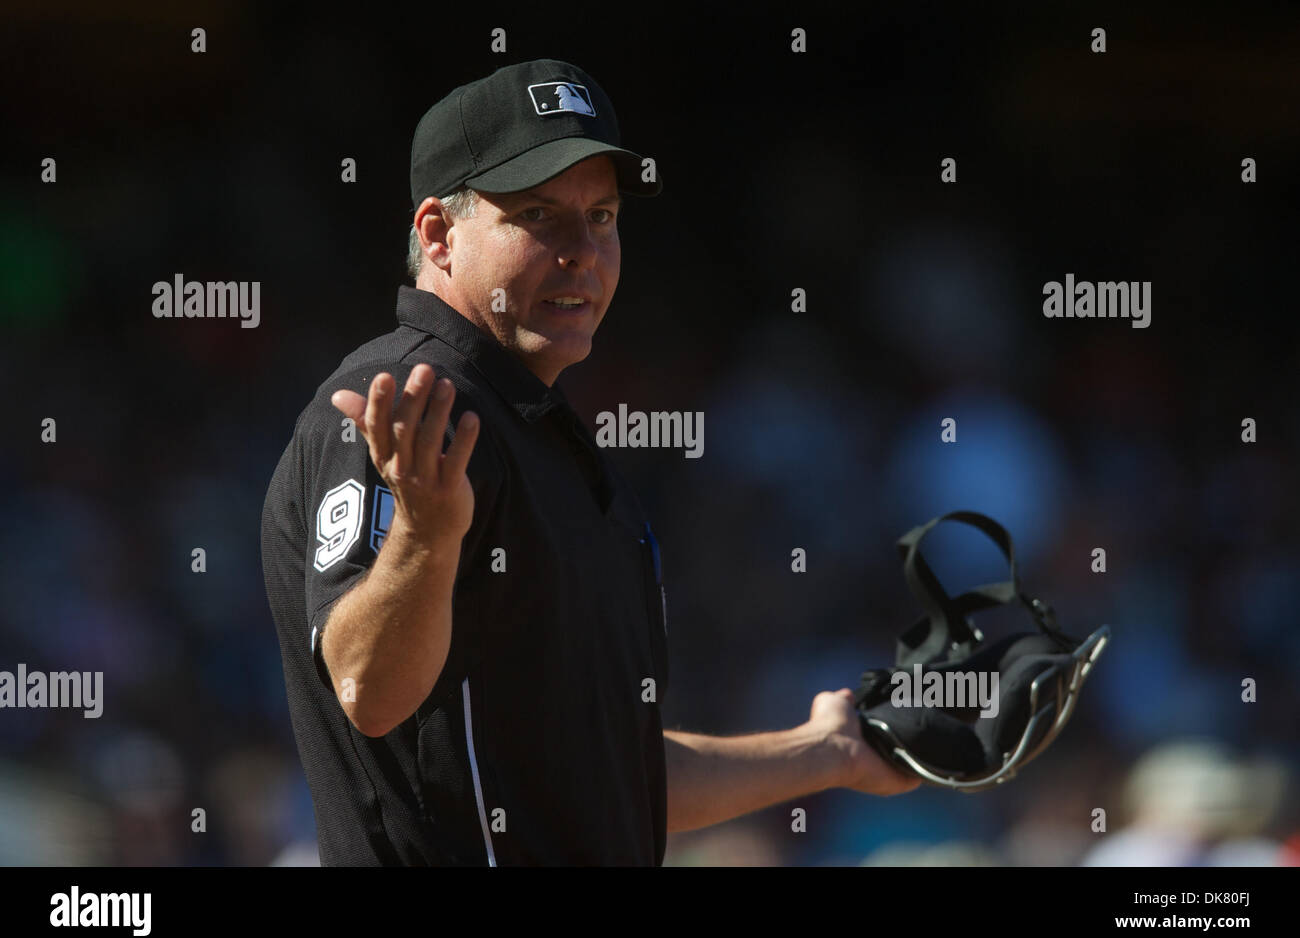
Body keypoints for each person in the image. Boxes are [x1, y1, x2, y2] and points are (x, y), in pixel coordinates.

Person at [261, 58, 917, 867]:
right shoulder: (404, 400)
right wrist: (426, 538)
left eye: (601, 215)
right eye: (539, 214)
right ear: (437, 234)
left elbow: (611, 779)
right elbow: (367, 689)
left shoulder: (545, 439)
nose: (583, 251)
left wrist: (826, 752)